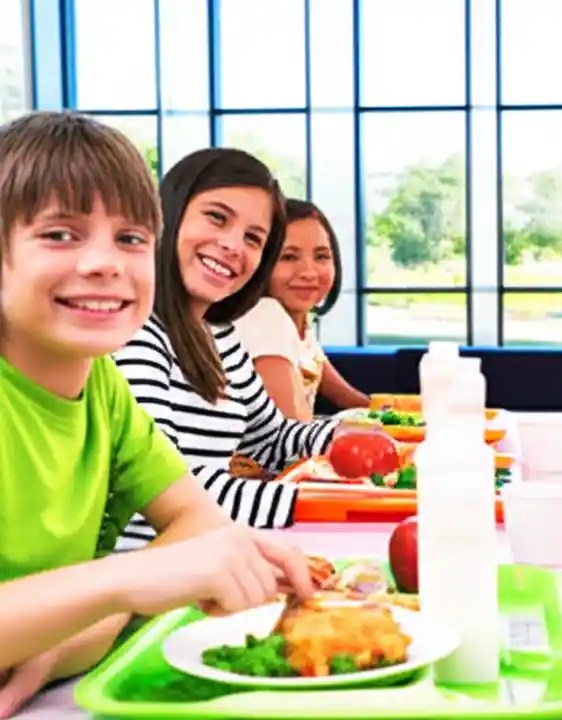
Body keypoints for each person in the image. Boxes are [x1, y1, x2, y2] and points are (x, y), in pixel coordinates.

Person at [0, 111, 312, 716]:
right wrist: (124, 584)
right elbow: (163, 562)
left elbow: (199, 522)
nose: (105, 263)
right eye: (60, 234)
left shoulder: (102, 388)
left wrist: (60, 634)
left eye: (131, 238)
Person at [112, 148, 339, 547]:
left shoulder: (218, 333)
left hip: (204, 558)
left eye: (254, 238)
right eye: (217, 217)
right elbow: (170, 485)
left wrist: (356, 435)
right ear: (168, 214)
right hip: (148, 574)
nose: (234, 246)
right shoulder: (135, 332)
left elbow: (272, 441)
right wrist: (325, 501)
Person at [235, 199, 369, 419]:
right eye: (289, 257)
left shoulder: (297, 320)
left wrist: (396, 415)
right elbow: (291, 430)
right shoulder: (264, 315)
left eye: (322, 256)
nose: (309, 272)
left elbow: (343, 395)